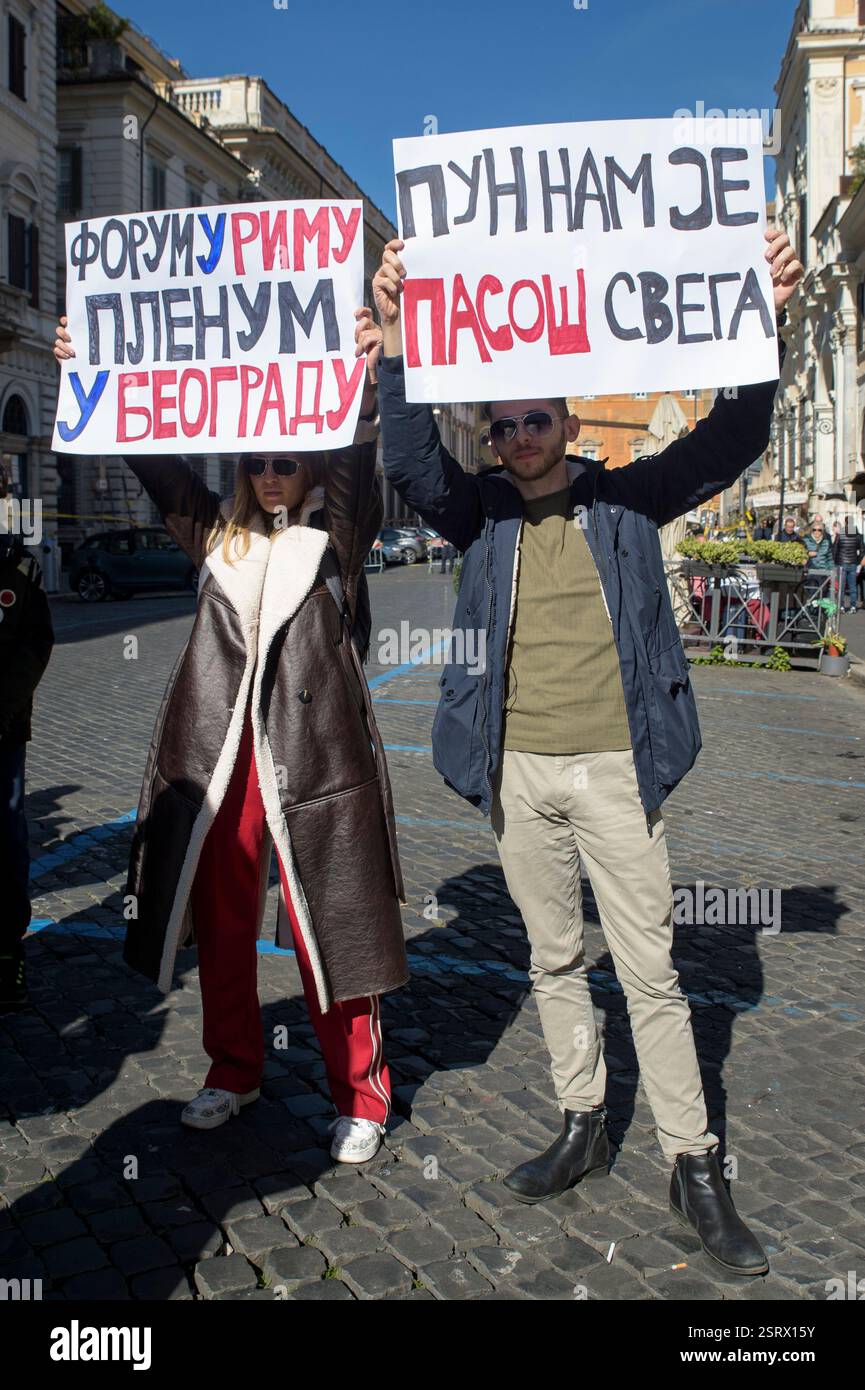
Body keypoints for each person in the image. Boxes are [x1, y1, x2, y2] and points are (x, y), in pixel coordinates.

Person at [370, 224, 803, 1275]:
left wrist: (762, 318)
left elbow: (730, 439)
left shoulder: (623, 498)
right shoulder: (475, 515)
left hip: (616, 766)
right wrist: (391, 344)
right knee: (553, 957)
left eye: (537, 419)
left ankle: (692, 1162)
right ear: (491, 430)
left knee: (649, 970)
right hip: (518, 774)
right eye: (504, 422)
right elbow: (409, 460)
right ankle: (578, 1122)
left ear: (567, 420)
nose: (520, 436)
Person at [54, 311, 408, 1162]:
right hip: (219, 757)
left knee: (336, 922)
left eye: (287, 459)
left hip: (316, 760)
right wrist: (94, 369)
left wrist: (370, 373)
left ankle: (360, 1096)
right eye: (258, 460)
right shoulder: (216, 532)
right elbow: (156, 465)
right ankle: (233, 1069)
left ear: (312, 460)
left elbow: (362, 467)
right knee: (218, 922)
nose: (271, 473)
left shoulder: (339, 538)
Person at [0, 468, 55, 1010]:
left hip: (1, 730)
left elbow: (34, 644)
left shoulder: (16, 570)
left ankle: (7, 950)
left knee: (6, 837)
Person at [832, 515, 865, 614]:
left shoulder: (840, 534)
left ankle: (841, 606)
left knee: (841, 586)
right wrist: (858, 560)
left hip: (841, 562)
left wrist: (835, 561)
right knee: (853, 586)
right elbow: (862, 550)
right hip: (853, 563)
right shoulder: (857, 535)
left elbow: (834, 549)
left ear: (845, 522)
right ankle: (853, 606)